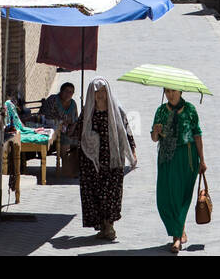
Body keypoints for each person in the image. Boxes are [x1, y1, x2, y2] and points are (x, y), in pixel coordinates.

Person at [74, 77, 137, 241]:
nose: (100, 95)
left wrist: (133, 152)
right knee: (94, 194)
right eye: (96, 92)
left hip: (113, 160)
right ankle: (103, 227)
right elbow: (77, 132)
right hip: (91, 162)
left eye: (103, 91)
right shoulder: (88, 111)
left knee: (110, 194)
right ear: (91, 94)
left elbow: (126, 131)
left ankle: (109, 227)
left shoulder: (116, 111)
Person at [151, 88, 207, 253]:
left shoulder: (190, 109)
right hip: (166, 159)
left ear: (181, 91)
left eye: (173, 91)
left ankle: (176, 238)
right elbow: (154, 139)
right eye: (167, 91)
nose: (170, 95)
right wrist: (156, 132)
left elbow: (197, 134)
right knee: (164, 198)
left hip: (186, 157)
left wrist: (202, 160)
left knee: (181, 196)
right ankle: (179, 229)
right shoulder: (161, 111)